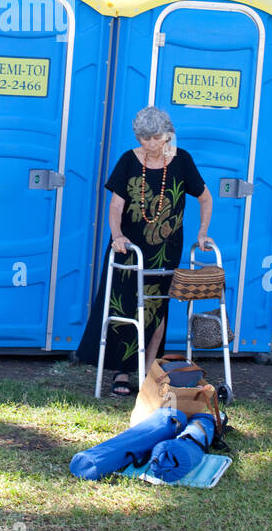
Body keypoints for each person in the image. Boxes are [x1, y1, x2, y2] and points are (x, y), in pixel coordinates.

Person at [77, 105, 214, 397]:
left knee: (156, 306)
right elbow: (116, 206)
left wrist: (202, 232)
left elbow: (205, 198)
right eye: (145, 139)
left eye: (156, 138)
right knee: (123, 304)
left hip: (165, 248)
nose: (151, 145)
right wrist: (117, 235)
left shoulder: (181, 160)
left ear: (167, 135)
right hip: (128, 247)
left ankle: (148, 369)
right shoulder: (129, 160)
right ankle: (121, 372)